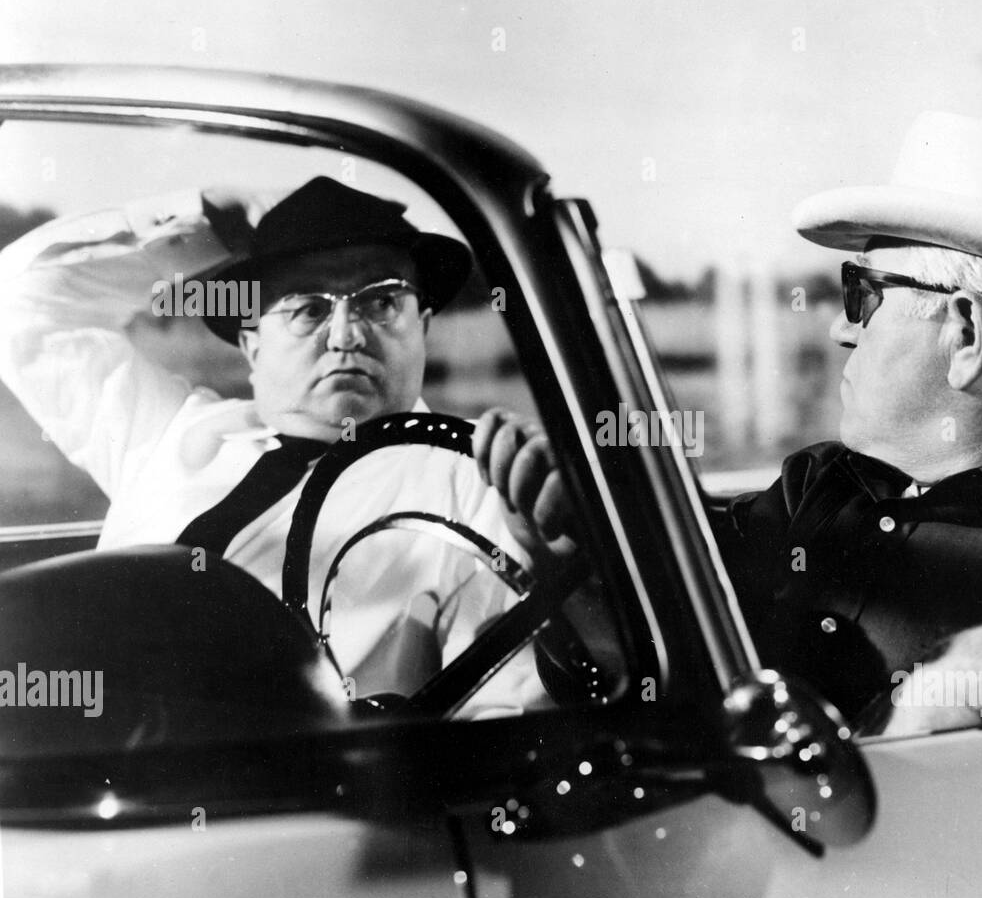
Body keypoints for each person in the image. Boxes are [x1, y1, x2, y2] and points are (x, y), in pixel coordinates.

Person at [486, 112, 982, 805]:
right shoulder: (822, 487)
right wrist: (583, 565)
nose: (843, 328)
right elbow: (679, 676)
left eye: (865, 294)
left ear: (967, 335)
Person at [0, 176, 566, 717]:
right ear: (252, 345)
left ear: (423, 325)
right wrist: (207, 219)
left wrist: (551, 563)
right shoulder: (169, 433)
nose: (346, 336)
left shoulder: (479, 484)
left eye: (382, 302)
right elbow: (20, 303)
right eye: (309, 309)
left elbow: (504, 715)